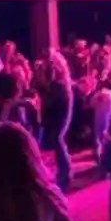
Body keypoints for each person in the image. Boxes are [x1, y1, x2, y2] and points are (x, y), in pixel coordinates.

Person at [39, 53, 74, 192]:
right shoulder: (60, 82)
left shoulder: (58, 84)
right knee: (58, 143)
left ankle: (65, 174)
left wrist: (43, 97)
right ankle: (64, 173)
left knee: (59, 142)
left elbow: (52, 101)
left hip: (59, 116)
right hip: (59, 115)